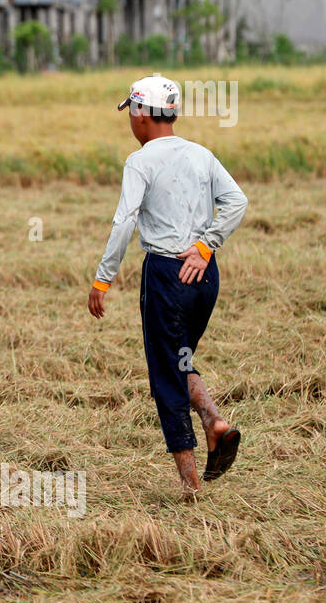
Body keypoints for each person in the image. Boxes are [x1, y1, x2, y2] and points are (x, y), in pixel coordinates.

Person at [87, 74, 249, 495]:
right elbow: (237, 201)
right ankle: (214, 422)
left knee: (164, 373)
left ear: (140, 114)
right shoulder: (201, 154)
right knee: (179, 356)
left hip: (165, 276)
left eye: (130, 113)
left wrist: (102, 281)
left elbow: (124, 223)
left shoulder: (139, 161)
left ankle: (191, 485)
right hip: (204, 276)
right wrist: (205, 246)